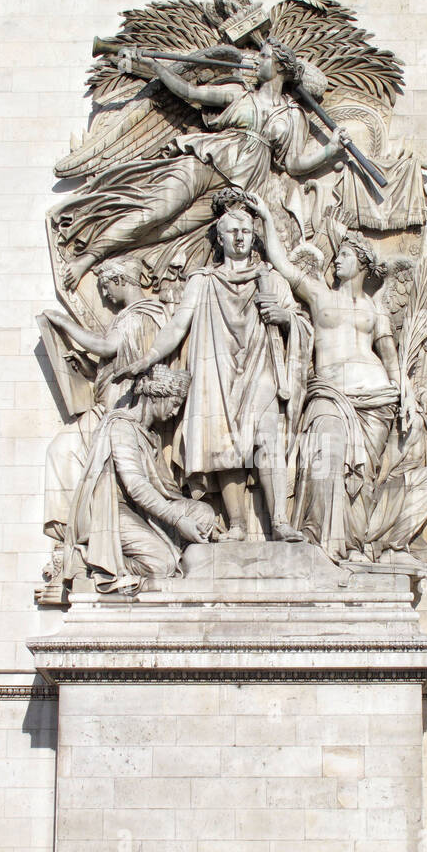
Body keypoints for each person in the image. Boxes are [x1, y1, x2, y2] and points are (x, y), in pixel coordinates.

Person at [56, 42, 343, 291]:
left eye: (265, 57)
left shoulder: (293, 115)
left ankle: (113, 254)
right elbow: (189, 91)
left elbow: (292, 163)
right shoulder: (240, 93)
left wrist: (330, 150)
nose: (258, 61)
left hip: (235, 192)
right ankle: (88, 257)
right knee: (156, 211)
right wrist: (156, 66)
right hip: (205, 162)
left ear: (281, 66)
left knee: (168, 230)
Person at [122, 191, 312, 543]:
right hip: (218, 370)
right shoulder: (203, 280)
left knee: (267, 435)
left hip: (262, 365)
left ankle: (281, 522)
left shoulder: (272, 279)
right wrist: (149, 357)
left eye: (245, 230)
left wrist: (284, 317)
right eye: (231, 231)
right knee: (224, 443)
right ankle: (238, 524)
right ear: (219, 238)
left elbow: (301, 322)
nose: (239, 237)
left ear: (254, 236)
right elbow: (179, 324)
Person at [247, 193, 410, 562]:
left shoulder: (375, 307)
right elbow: (284, 265)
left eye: (345, 255)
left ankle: (351, 544)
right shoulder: (318, 294)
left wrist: (408, 394)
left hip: (375, 401)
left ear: (363, 263)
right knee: (327, 452)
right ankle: (320, 540)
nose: (337, 259)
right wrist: (266, 221)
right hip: (329, 393)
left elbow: (390, 357)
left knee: (362, 478)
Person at [40, 256, 167, 546]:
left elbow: (108, 347)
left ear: (121, 280)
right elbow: (117, 362)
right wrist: (87, 367)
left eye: (107, 287)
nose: (106, 296)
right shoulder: (138, 315)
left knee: (62, 449)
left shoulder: (138, 315)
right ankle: (75, 533)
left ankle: (74, 534)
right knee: (64, 451)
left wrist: (64, 323)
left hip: (120, 412)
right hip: (114, 406)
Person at [63, 365, 218, 593]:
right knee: (160, 564)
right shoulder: (121, 428)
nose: (175, 412)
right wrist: (177, 520)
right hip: (115, 511)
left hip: (142, 511)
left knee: (204, 513)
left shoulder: (151, 436)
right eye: (174, 404)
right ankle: (92, 561)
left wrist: (187, 515)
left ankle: (166, 546)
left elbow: (165, 489)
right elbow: (136, 486)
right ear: (157, 396)